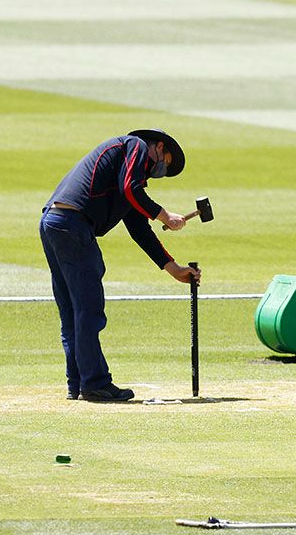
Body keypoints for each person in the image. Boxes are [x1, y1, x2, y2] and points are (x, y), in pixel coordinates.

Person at [41, 129, 200, 402]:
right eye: (166, 162)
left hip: (53, 223)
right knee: (88, 309)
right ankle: (95, 383)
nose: (161, 170)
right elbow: (131, 189)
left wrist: (172, 268)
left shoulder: (125, 172)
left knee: (73, 311)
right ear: (159, 147)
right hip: (74, 226)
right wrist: (165, 215)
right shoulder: (136, 146)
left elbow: (139, 227)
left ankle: (78, 382)